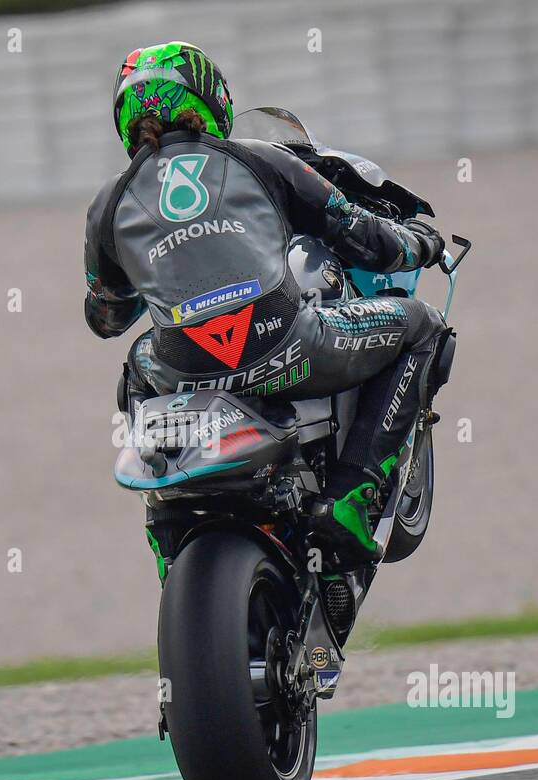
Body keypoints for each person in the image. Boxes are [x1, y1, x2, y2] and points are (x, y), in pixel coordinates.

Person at [83, 41, 449, 567]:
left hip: (183, 369)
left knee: (141, 358)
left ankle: (166, 528)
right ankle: (352, 493)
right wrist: (423, 241)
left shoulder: (109, 203)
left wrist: (161, 269)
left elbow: (106, 318)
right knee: (422, 326)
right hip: (291, 348)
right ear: (212, 97)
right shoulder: (261, 160)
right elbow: (367, 240)